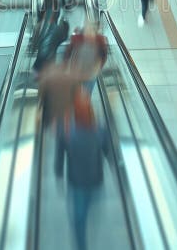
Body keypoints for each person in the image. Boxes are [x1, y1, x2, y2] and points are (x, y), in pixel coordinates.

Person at [55, 94, 110, 250]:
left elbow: (59, 155)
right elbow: (108, 151)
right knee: (89, 209)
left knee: (79, 219)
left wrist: (59, 173)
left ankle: (81, 246)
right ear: (91, 113)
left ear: (75, 115)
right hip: (96, 181)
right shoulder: (100, 131)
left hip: (76, 183)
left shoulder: (67, 133)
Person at [64, 22, 108, 93]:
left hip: (88, 74)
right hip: (79, 74)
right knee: (78, 95)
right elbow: (67, 53)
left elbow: (104, 56)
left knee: (84, 95)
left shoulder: (100, 40)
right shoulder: (77, 37)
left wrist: (98, 68)